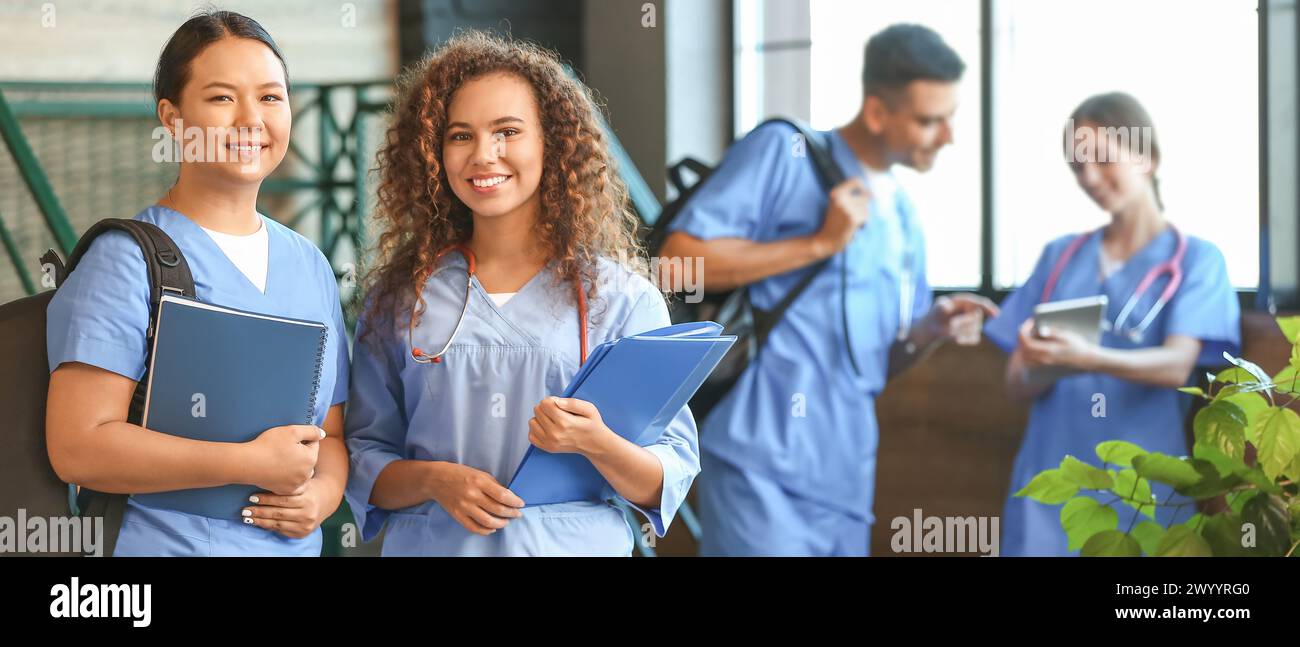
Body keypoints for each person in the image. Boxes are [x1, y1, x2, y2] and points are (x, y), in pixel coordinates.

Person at [343, 31, 700, 556]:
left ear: (551, 143)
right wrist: (435, 480)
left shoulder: (622, 298)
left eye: (507, 131)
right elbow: (364, 460)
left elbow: (664, 477)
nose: (484, 155)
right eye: (460, 136)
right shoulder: (401, 299)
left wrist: (596, 443)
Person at [659, 24, 996, 556]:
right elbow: (677, 263)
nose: (948, 135)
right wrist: (819, 244)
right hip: (759, 463)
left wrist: (932, 329)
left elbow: (879, 364)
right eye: (930, 120)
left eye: (951, 117)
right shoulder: (784, 151)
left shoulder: (904, 218)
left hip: (845, 476)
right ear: (878, 111)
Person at [44, 11, 350, 556]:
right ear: (172, 115)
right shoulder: (124, 261)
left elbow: (329, 432)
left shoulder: (310, 264)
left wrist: (322, 496)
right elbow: (78, 447)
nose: (251, 119)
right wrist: (248, 464)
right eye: (221, 98)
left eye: (271, 97)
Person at [983, 92, 1241, 556]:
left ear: (1147, 156)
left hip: (1143, 489)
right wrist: (1037, 360)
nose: (1089, 178)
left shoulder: (1198, 260)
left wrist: (1083, 357)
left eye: (1102, 159)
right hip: (1050, 484)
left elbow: (1176, 367)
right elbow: (1016, 386)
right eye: (1077, 166)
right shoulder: (1060, 256)